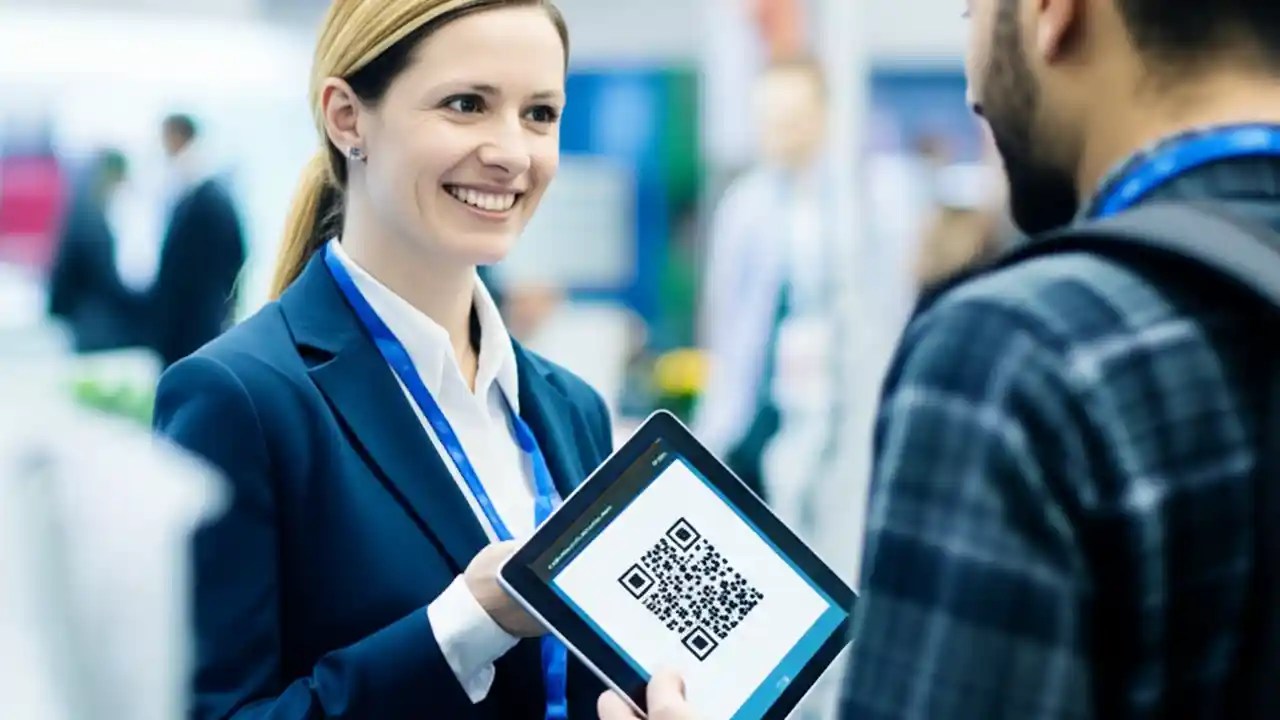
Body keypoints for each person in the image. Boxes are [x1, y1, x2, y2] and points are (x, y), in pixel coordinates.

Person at [611, 0, 1280, 717]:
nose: (972, 90)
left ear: (1053, 13)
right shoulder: (754, 209)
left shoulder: (1013, 358)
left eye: (970, 13)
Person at [152, 1, 614, 718]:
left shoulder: (570, 407)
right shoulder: (238, 400)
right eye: (467, 104)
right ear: (347, 118)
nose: (513, 152)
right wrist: (465, 623)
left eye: (540, 115)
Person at [691, 57, 838, 521]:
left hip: (827, 408)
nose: (779, 132)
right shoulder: (744, 206)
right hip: (751, 406)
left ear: (820, 117)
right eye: (769, 119)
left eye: (791, 118)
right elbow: (724, 317)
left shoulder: (854, 208)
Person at [150, 113, 246, 368]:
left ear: (178, 136)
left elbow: (232, 255)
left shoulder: (205, 194)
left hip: (197, 323)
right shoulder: (195, 191)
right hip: (197, 320)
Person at [47, 149, 147, 352]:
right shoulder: (92, 218)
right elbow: (103, 276)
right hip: (95, 319)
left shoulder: (84, 210)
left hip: (84, 314)